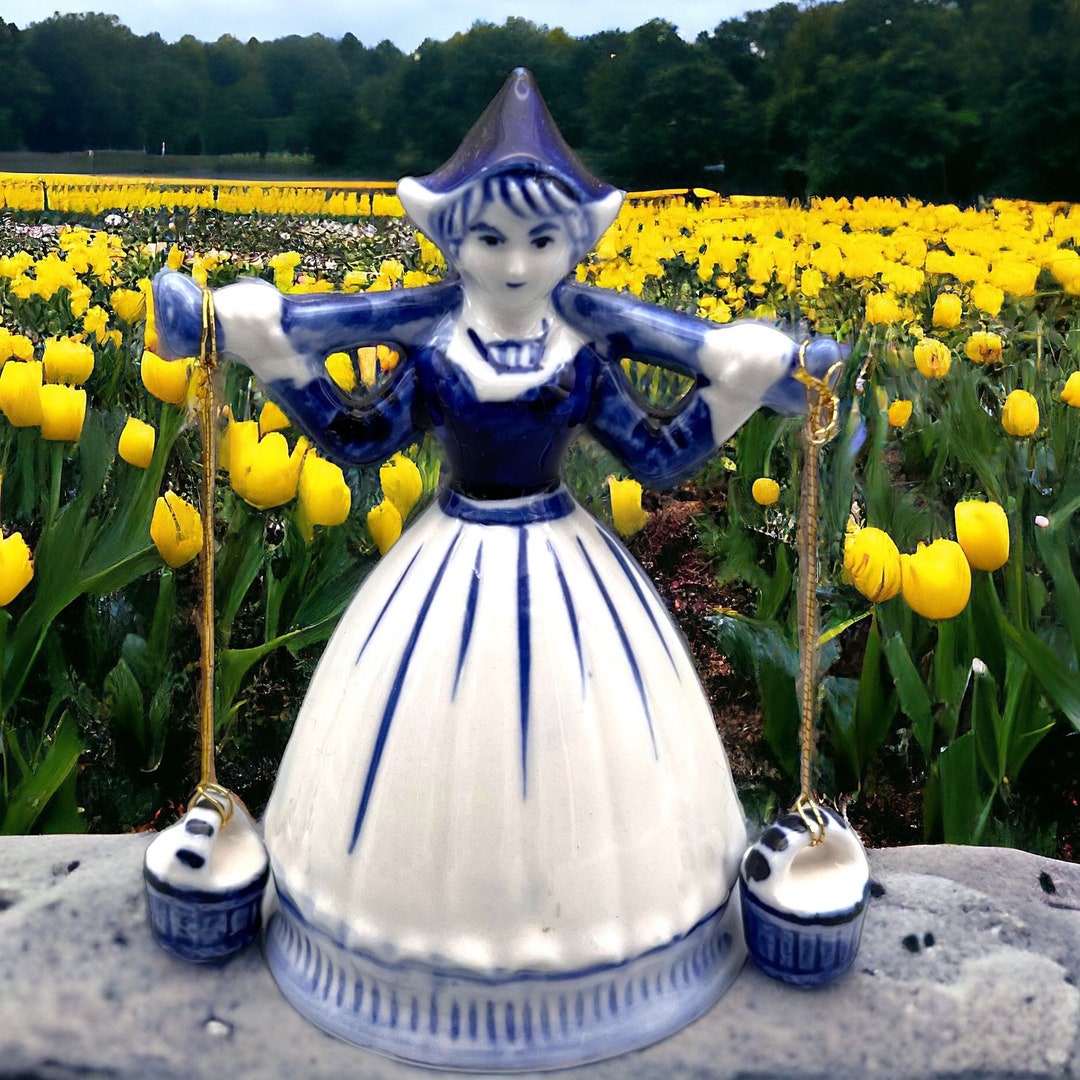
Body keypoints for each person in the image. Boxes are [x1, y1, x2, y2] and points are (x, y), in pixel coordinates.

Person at [152, 69, 843, 1070]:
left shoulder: (579, 355)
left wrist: (731, 393)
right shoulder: (436, 352)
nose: (516, 263)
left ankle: (617, 954)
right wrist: (276, 360)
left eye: (542, 240)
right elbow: (357, 444)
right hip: (445, 569)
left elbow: (657, 460)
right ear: (449, 241)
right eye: (489, 238)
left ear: (575, 246)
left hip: (568, 570)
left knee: (597, 750)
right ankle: (394, 947)